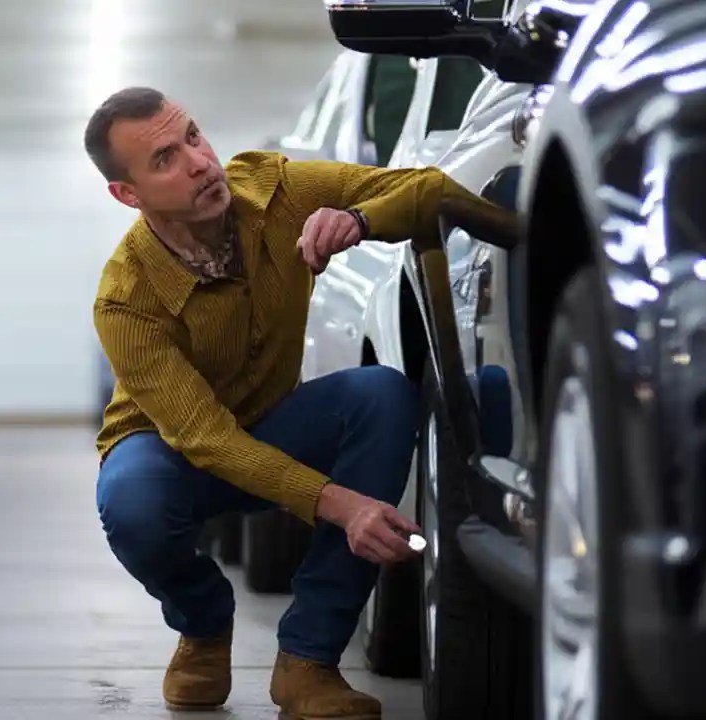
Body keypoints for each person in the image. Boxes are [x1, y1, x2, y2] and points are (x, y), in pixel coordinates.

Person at [85, 87, 501, 718]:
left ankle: (308, 661)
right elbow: (207, 439)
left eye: (194, 136)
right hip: (175, 456)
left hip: (277, 426)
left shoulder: (274, 191)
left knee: (381, 393)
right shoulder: (126, 296)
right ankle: (202, 622)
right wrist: (344, 505)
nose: (199, 162)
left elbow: (427, 188)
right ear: (129, 195)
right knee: (131, 501)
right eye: (165, 158)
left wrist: (358, 221)